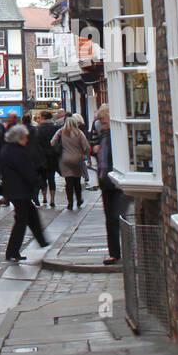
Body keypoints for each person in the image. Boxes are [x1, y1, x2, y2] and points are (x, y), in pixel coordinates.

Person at [0, 123, 49, 262]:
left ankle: (41, 241)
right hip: (19, 190)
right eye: (25, 137)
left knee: (30, 215)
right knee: (22, 220)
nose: (26, 140)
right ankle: (13, 251)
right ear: (19, 138)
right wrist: (38, 183)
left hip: (14, 190)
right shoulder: (18, 152)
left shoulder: (6, 149)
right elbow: (27, 171)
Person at [94, 104, 130, 266]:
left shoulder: (116, 136)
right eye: (101, 122)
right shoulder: (104, 136)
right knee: (110, 220)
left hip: (116, 184)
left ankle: (126, 252)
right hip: (106, 183)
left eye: (104, 121)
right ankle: (114, 253)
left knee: (118, 218)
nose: (102, 125)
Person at [51, 115, 90, 210]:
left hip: (65, 159)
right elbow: (86, 147)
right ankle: (79, 199)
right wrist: (88, 159)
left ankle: (70, 202)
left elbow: (52, 142)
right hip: (77, 159)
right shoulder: (79, 133)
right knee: (77, 181)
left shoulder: (61, 131)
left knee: (68, 182)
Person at [34, 110, 58, 206]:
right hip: (52, 156)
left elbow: (36, 144)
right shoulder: (55, 128)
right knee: (51, 178)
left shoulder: (38, 129)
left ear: (43, 117)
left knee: (43, 178)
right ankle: (52, 199)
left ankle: (44, 198)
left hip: (41, 157)